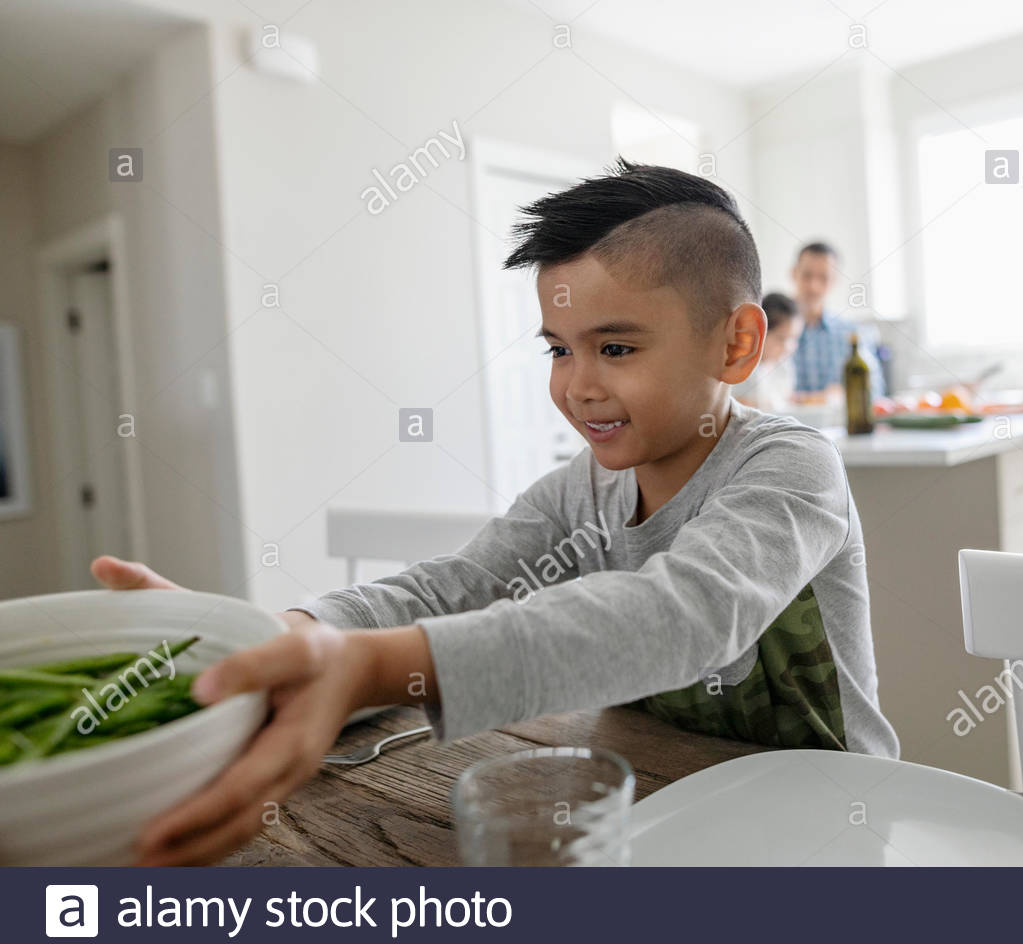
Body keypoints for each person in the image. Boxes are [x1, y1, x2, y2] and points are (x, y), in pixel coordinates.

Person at [91, 159, 899, 865]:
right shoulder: (578, 491)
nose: (576, 385)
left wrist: (370, 668)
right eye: (558, 348)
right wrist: (274, 647)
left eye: (615, 348)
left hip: (836, 827)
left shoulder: (790, 468)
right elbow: (453, 588)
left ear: (735, 345)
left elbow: (686, 615)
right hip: (662, 809)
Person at [789, 241, 884, 401]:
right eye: (807, 275)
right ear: (793, 274)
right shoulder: (770, 332)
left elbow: (874, 390)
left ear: (835, 281)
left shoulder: (852, 334)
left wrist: (806, 399)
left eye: (823, 278)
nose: (813, 286)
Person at [732, 292, 803, 411]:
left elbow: (785, 400)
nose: (788, 347)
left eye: (794, 338)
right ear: (760, 332)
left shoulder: (784, 365)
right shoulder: (742, 369)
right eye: (781, 338)